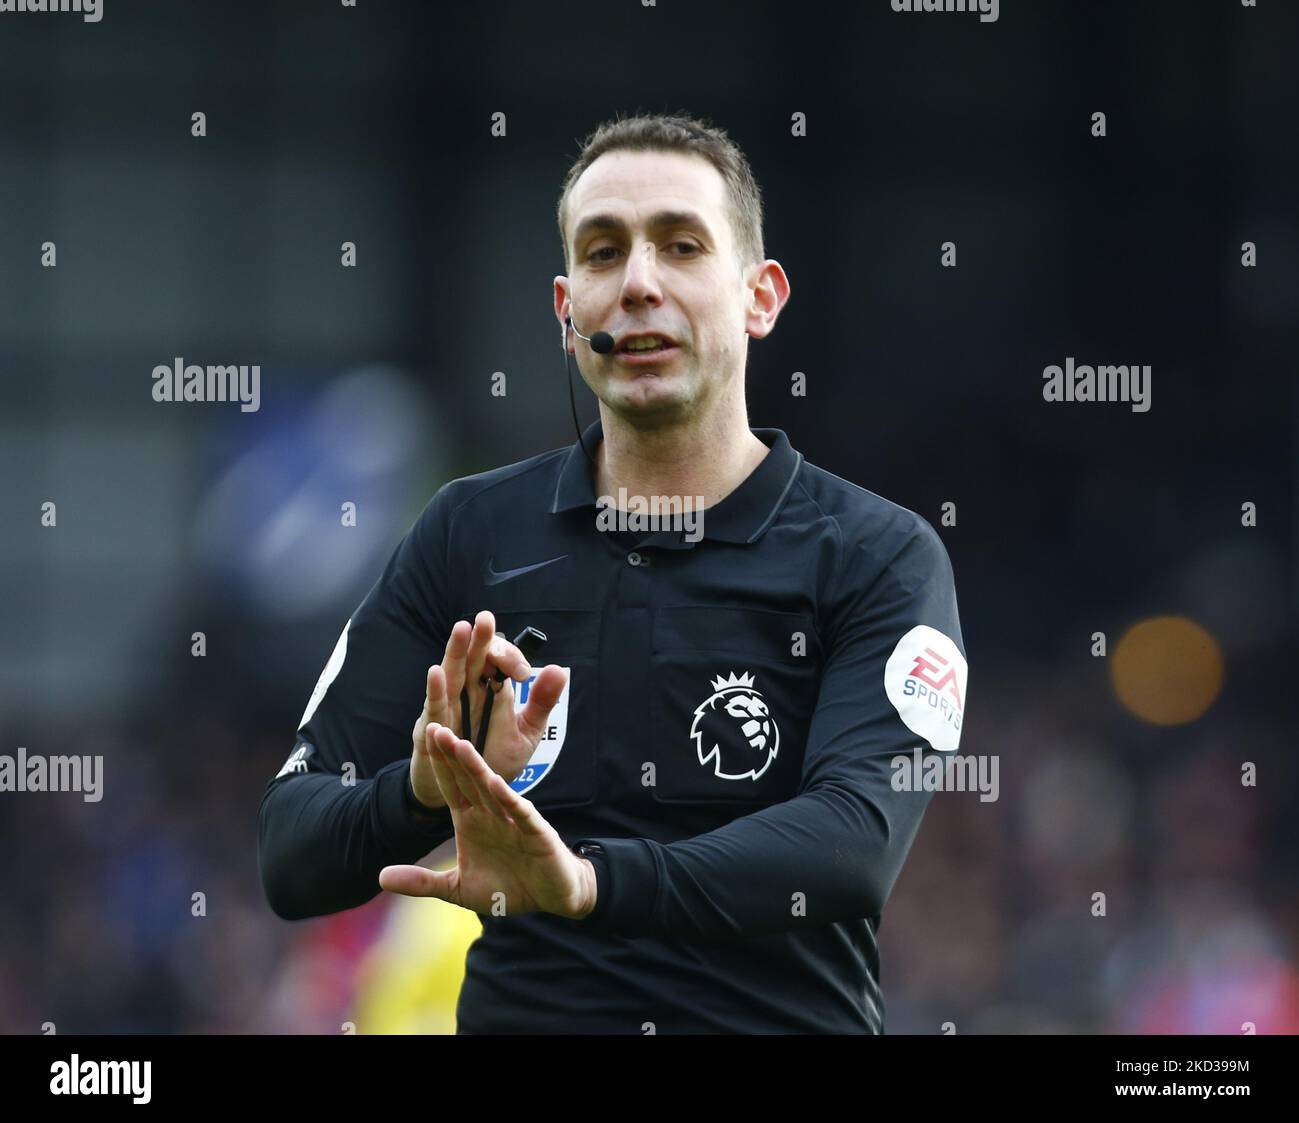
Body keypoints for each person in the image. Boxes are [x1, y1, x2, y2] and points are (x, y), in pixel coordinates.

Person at [257, 112, 969, 1034]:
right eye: (603, 253)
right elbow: (291, 852)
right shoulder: (468, 535)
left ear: (760, 296)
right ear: (566, 313)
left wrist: (591, 883)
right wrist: (427, 789)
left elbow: (850, 847)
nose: (638, 283)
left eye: (680, 245)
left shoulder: (879, 555)